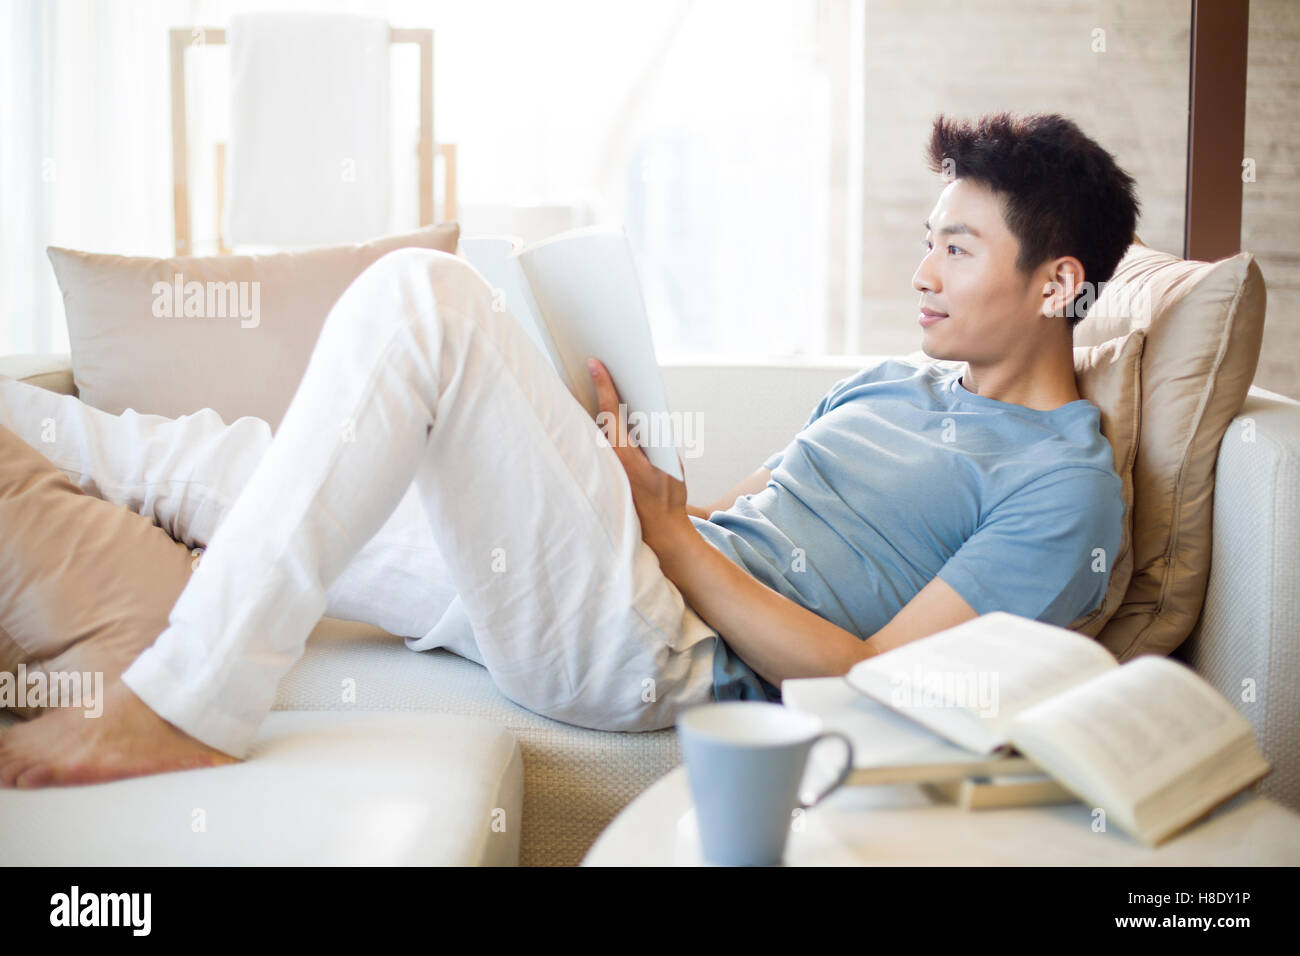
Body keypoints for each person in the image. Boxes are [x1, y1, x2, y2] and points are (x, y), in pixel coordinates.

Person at [0, 110, 1136, 788]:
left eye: (956, 247)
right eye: (926, 241)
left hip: (664, 650)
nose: (923, 272)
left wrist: (668, 541)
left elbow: (871, 681)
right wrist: (641, 492)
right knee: (225, 465)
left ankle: (187, 706)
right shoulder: (893, 381)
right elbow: (743, 514)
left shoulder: (1063, 490)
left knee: (424, 294)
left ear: (1055, 283)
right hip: (628, 576)